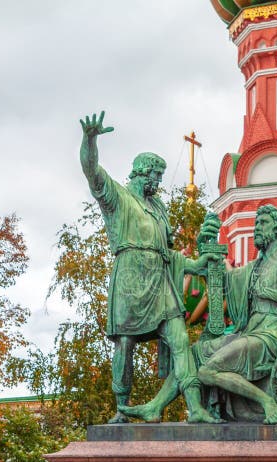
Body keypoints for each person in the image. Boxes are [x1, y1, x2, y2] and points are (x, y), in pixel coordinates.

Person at [122, 205, 277, 424]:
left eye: (263, 223)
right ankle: (155, 407)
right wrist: (206, 248)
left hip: (272, 336)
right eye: (256, 223)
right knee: (193, 354)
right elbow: (224, 281)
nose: (257, 227)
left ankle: (267, 402)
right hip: (251, 332)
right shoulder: (256, 266)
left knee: (208, 371)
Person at [78, 111, 220, 424]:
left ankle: (195, 408)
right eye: (155, 176)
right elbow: (92, 172)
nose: (158, 182)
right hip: (130, 277)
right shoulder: (118, 197)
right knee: (125, 344)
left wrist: (197, 264)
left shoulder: (158, 208)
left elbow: (169, 254)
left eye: (160, 176)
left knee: (181, 340)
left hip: (160, 280)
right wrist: (90, 139)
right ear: (142, 174)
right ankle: (121, 408)